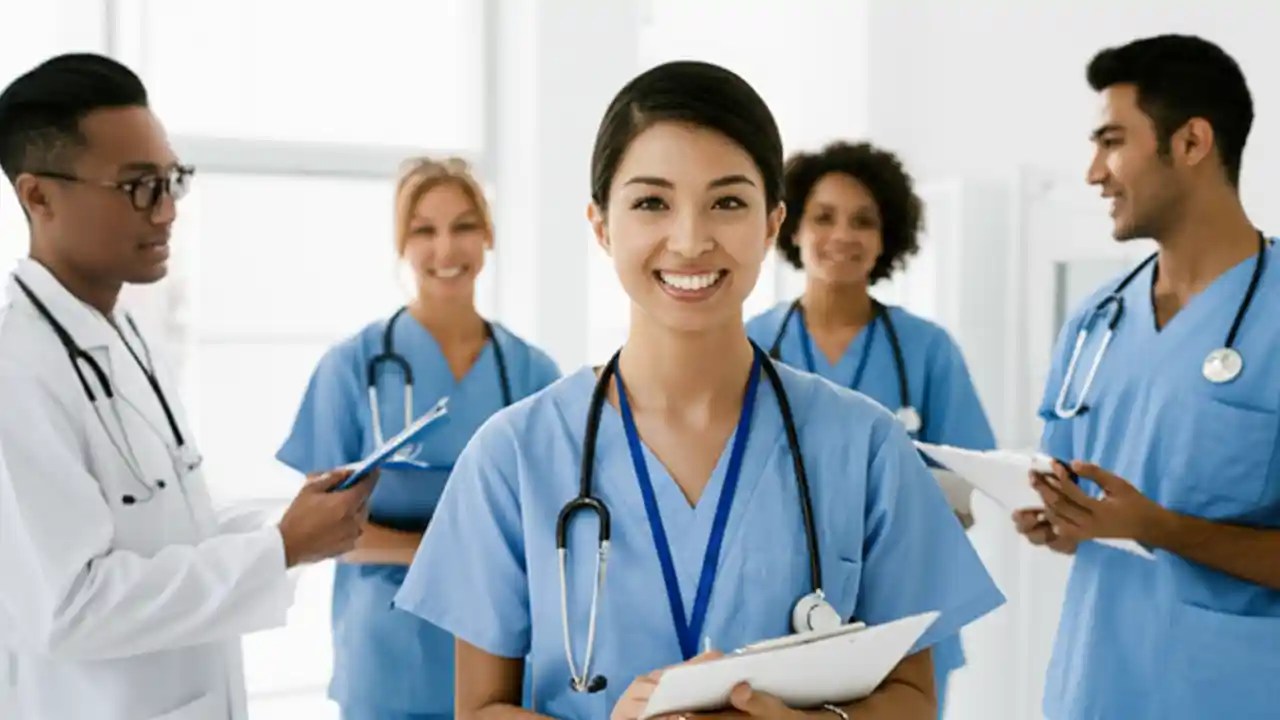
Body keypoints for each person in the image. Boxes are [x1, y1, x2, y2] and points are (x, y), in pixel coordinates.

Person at [392, 59, 1005, 720]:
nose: (689, 240)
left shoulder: (865, 445)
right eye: (652, 202)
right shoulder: (513, 456)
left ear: (772, 225)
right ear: (601, 224)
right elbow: (480, 710)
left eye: (728, 202)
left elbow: (914, 698)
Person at [0, 53, 375, 720]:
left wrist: (285, 521)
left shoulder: (124, 336)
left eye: (173, 180)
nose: (168, 211)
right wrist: (280, 547)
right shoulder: (16, 369)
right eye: (140, 187)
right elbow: (68, 607)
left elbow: (169, 524)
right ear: (39, 196)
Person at [1014, 34, 1280, 720]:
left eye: (1112, 142)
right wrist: (1065, 523)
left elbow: (1150, 525)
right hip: (1094, 688)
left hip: (1235, 695)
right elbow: (1095, 521)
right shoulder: (1095, 321)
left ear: (1191, 142)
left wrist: (1161, 527)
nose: (1093, 173)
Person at [276, 156, 561, 720]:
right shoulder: (352, 367)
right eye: (423, 230)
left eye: (463, 226)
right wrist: (446, 553)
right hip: (387, 658)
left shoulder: (533, 375)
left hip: (502, 651)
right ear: (401, 245)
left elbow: (554, 520)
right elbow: (324, 530)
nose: (446, 249)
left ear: (488, 236)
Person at [745, 140, 996, 717]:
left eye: (864, 221)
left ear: (887, 239)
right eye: (824, 217)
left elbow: (965, 481)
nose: (843, 235)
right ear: (791, 227)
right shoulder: (750, 345)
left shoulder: (926, 349)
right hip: (777, 605)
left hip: (901, 606)